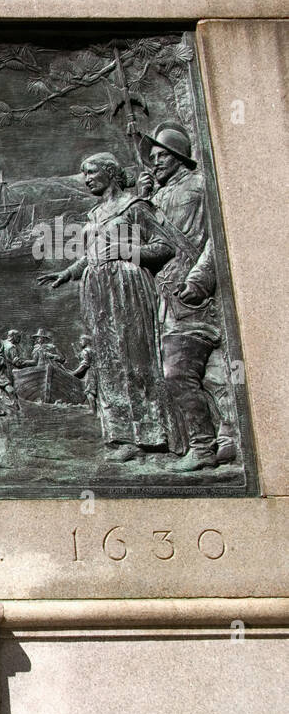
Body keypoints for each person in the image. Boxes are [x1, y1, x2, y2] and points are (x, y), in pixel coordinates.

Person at [38, 151, 181, 462]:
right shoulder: (93, 215)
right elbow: (91, 253)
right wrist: (68, 273)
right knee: (108, 362)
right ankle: (120, 435)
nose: (86, 179)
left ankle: (151, 435)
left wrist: (127, 250)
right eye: (83, 174)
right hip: (97, 290)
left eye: (91, 172)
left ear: (111, 173)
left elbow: (166, 247)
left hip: (127, 286)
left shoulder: (135, 207)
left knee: (134, 358)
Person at [136, 120, 234, 470]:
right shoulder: (159, 195)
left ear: (179, 157)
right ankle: (227, 437)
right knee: (206, 374)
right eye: (152, 156)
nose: (155, 162)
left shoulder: (198, 186)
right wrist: (145, 201)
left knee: (177, 374)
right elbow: (145, 245)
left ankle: (203, 446)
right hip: (166, 296)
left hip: (190, 295)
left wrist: (200, 280)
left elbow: (215, 239)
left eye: (161, 155)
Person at [71, 333, 97, 413]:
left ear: (86, 341)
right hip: (95, 372)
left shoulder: (85, 351)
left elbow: (85, 364)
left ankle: (93, 411)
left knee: (89, 391)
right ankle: (94, 410)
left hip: (89, 373)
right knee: (93, 391)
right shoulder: (92, 350)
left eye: (82, 340)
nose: (80, 342)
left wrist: (74, 373)